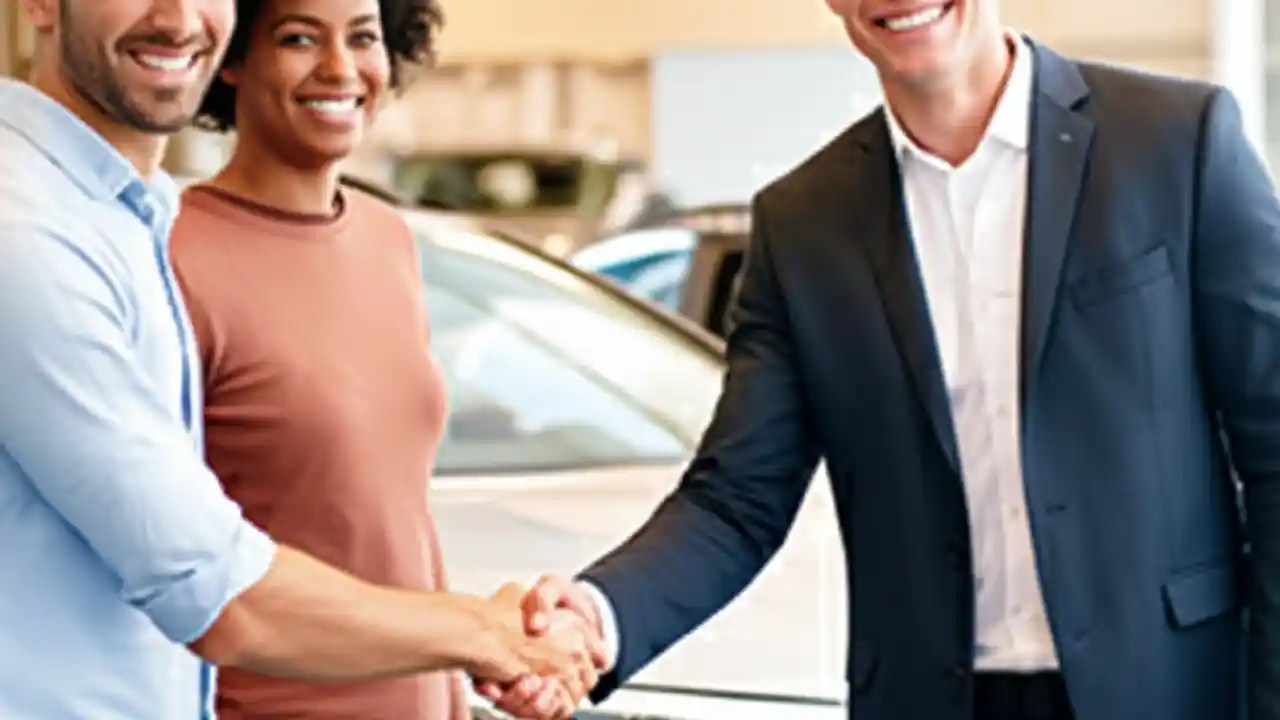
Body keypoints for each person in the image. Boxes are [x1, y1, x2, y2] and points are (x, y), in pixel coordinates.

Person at [483, 0, 1280, 719]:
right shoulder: (804, 223)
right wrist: (597, 617)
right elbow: (736, 500)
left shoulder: (1177, 143)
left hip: (1170, 691)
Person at [0, 1, 602, 718]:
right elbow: (215, 588)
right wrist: (490, 635)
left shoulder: (129, 221)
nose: (176, 16)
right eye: (297, 38)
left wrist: (486, 651)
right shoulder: (33, 237)